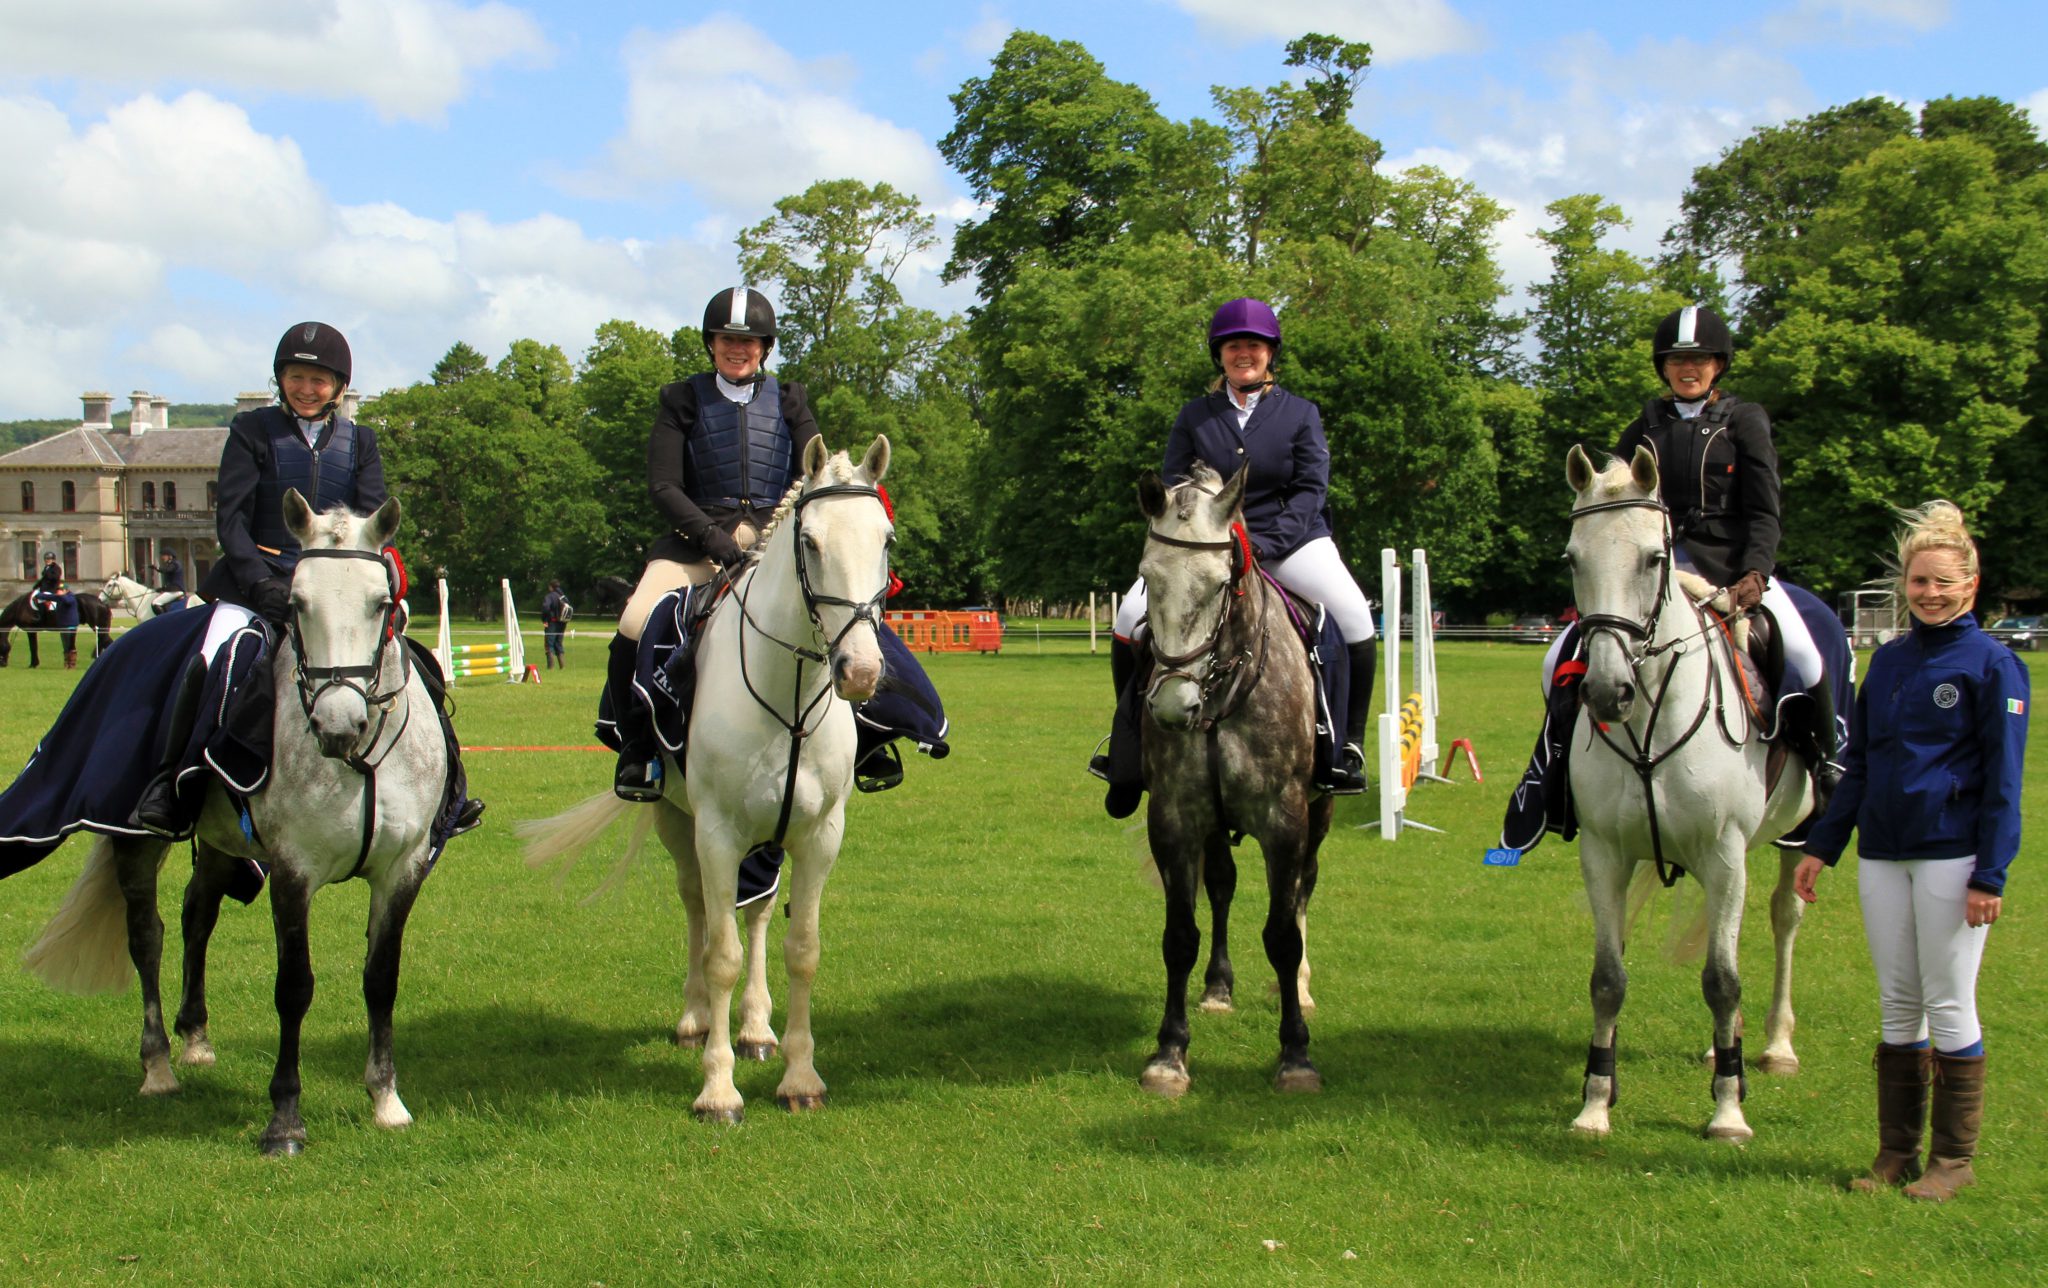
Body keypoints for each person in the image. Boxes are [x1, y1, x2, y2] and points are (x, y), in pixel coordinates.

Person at [1502, 303, 1844, 851]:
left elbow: (1764, 510)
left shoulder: (1745, 420)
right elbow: (1612, 508)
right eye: (1678, 360)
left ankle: (1826, 764)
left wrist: (1756, 572)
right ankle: (1553, 774)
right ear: (1664, 366)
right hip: (1656, 571)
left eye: (1700, 359)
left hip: (1732, 572)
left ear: (1718, 365)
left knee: (1804, 653)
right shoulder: (1645, 425)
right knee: (1555, 661)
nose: (1689, 368)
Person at [130, 321, 483, 842]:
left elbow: (372, 518)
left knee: (417, 663)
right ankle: (170, 784)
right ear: (281, 380)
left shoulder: (360, 441)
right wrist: (260, 584)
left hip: (335, 590)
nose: (306, 388)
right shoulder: (251, 431)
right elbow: (231, 521)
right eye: (296, 377)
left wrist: (382, 576)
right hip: (255, 583)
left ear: (338, 387)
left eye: (319, 380)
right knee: (214, 658)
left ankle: (449, 788)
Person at [1794, 501, 2027, 1202]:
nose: (1929, 594)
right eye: (1919, 582)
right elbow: (1861, 764)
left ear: (1971, 585)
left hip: (1952, 856)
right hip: (1882, 853)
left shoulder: (1994, 665)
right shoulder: (1890, 661)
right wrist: (1822, 846)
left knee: (1948, 1002)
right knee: (1899, 1003)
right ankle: (1896, 1153)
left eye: (1943, 583)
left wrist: (1990, 874)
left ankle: (1952, 1162)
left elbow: (2005, 782)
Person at [1092, 297, 1377, 816]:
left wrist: (1263, 545)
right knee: (1130, 618)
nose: (1243, 353)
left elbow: (1310, 490)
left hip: (1291, 543)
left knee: (1355, 617)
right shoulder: (1195, 416)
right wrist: (1208, 538)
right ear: (1219, 355)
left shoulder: (1300, 414)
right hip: (1207, 546)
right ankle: (1129, 744)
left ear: (1270, 354)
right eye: (1233, 346)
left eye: (1253, 345)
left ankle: (1347, 747)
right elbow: (1176, 485)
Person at [605, 286, 820, 801]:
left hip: (774, 548)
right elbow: (663, 485)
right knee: (634, 622)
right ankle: (637, 750)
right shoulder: (681, 400)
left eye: (748, 341)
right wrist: (711, 538)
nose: (736, 349)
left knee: (847, 610)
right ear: (711, 344)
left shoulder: (790, 400)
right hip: (698, 547)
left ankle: (874, 733)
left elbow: (814, 474)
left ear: (764, 347)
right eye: (727, 339)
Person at [540, 580, 570, 669]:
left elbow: (545, 607)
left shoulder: (549, 596)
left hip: (552, 623)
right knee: (559, 644)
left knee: (549, 644)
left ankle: (551, 667)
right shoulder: (563, 597)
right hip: (562, 623)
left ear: (551, 587)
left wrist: (544, 619)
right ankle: (562, 667)